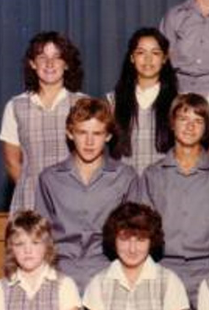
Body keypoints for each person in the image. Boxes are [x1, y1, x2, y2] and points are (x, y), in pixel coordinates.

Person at [140, 94, 209, 303]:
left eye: (198, 121)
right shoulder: (152, 174)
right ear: (172, 124)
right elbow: (142, 230)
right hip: (164, 269)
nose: (190, 127)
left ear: (206, 128)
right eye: (184, 119)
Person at [35, 98, 139, 292]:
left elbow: (133, 237)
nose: (89, 142)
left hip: (109, 273)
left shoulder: (125, 177)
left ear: (108, 136)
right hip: (60, 272)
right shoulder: (49, 179)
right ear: (70, 133)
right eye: (82, 132)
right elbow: (41, 237)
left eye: (97, 133)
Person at [0, 31, 87, 217]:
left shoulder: (83, 104)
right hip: (30, 201)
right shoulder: (15, 106)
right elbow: (11, 161)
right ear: (32, 63)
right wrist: (35, 193)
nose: (49, 64)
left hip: (74, 201)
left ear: (67, 64)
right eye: (42, 57)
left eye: (57, 57)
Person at [108, 27, 180, 174]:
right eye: (141, 53)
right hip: (125, 188)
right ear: (132, 58)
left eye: (155, 53)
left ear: (165, 58)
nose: (148, 59)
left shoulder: (178, 102)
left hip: (164, 188)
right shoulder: (112, 101)